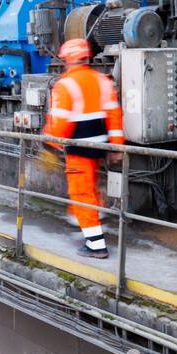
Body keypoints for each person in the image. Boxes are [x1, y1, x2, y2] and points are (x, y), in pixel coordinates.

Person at [42, 38, 125, 259]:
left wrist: (49, 143)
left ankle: (96, 244)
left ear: (67, 59)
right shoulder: (102, 80)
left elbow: (60, 120)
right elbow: (114, 115)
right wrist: (117, 147)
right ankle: (84, 219)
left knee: (81, 193)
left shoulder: (66, 84)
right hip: (100, 145)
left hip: (78, 148)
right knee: (92, 186)